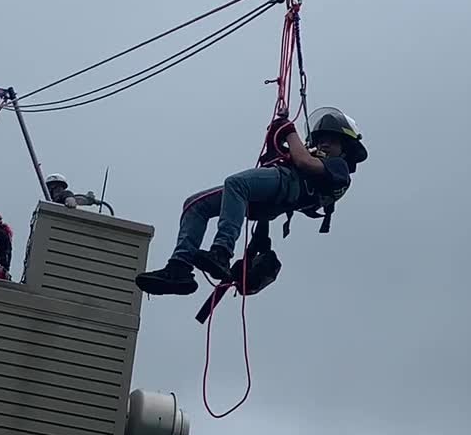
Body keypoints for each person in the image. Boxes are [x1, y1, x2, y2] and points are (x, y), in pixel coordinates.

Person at [135, 106, 368, 296]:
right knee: (195, 204)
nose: (325, 143)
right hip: (274, 195)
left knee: (236, 183)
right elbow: (296, 157)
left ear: (346, 148)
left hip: (286, 186)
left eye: (332, 140)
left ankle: (222, 251)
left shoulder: (340, 168)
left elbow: (304, 162)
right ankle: (179, 268)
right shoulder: (318, 160)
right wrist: (279, 140)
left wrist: (288, 129)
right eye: (322, 139)